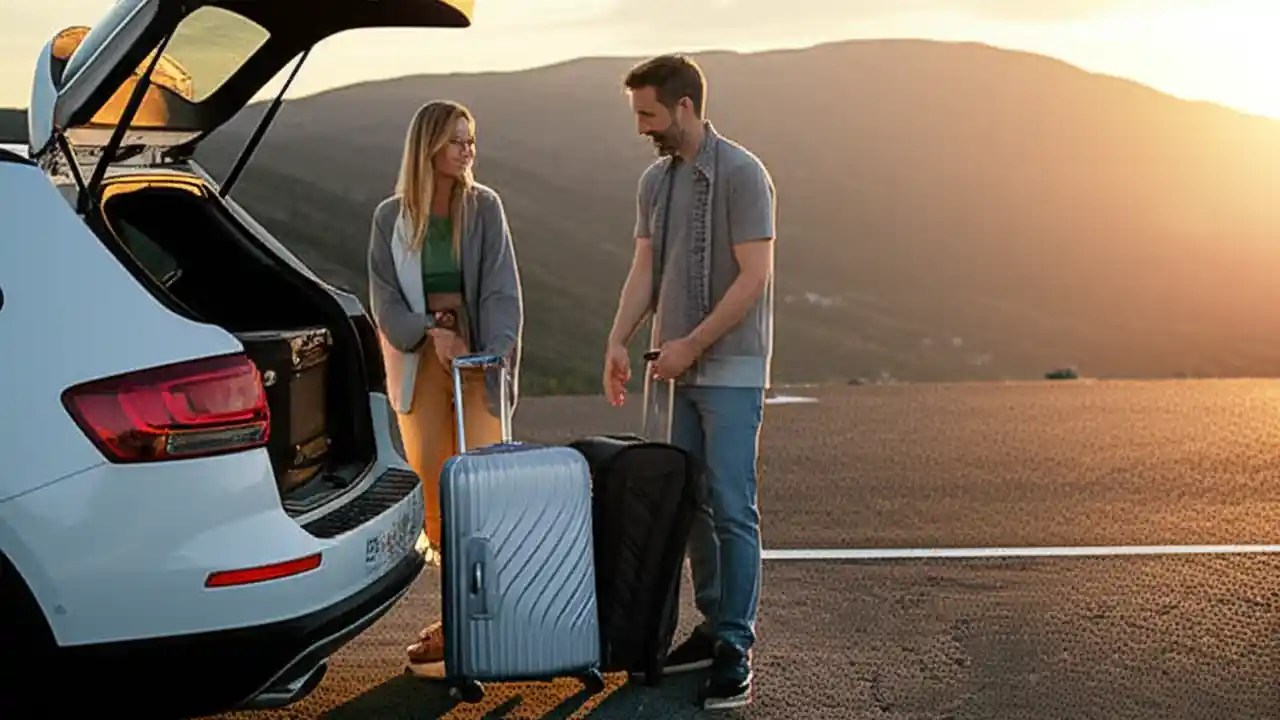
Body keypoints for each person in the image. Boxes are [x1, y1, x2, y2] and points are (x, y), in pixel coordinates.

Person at [603, 54, 777, 710]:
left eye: (648, 113)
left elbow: (753, 277)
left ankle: (736, 644)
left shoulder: (744, 174)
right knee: (691, 504)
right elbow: (645, 269)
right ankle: (710, 626)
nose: (641, 126)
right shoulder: (654, 181)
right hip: (671, 369)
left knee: (733, 506)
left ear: (683, 106)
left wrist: (690, 346)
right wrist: (620, 339)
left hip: (727, 372)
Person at [367, 99, 524, 678]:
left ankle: (490, 620)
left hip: (479, 363)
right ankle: (456, 619)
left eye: (471, 140)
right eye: (457, 140)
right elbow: (385, 301)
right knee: (437, 493)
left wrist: (495, 356)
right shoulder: (391, 218)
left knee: (485, 492)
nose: (468, 150)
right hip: (424, 365)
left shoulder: (485, 208)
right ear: (429, 146)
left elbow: (503, 291)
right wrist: (429, 335)